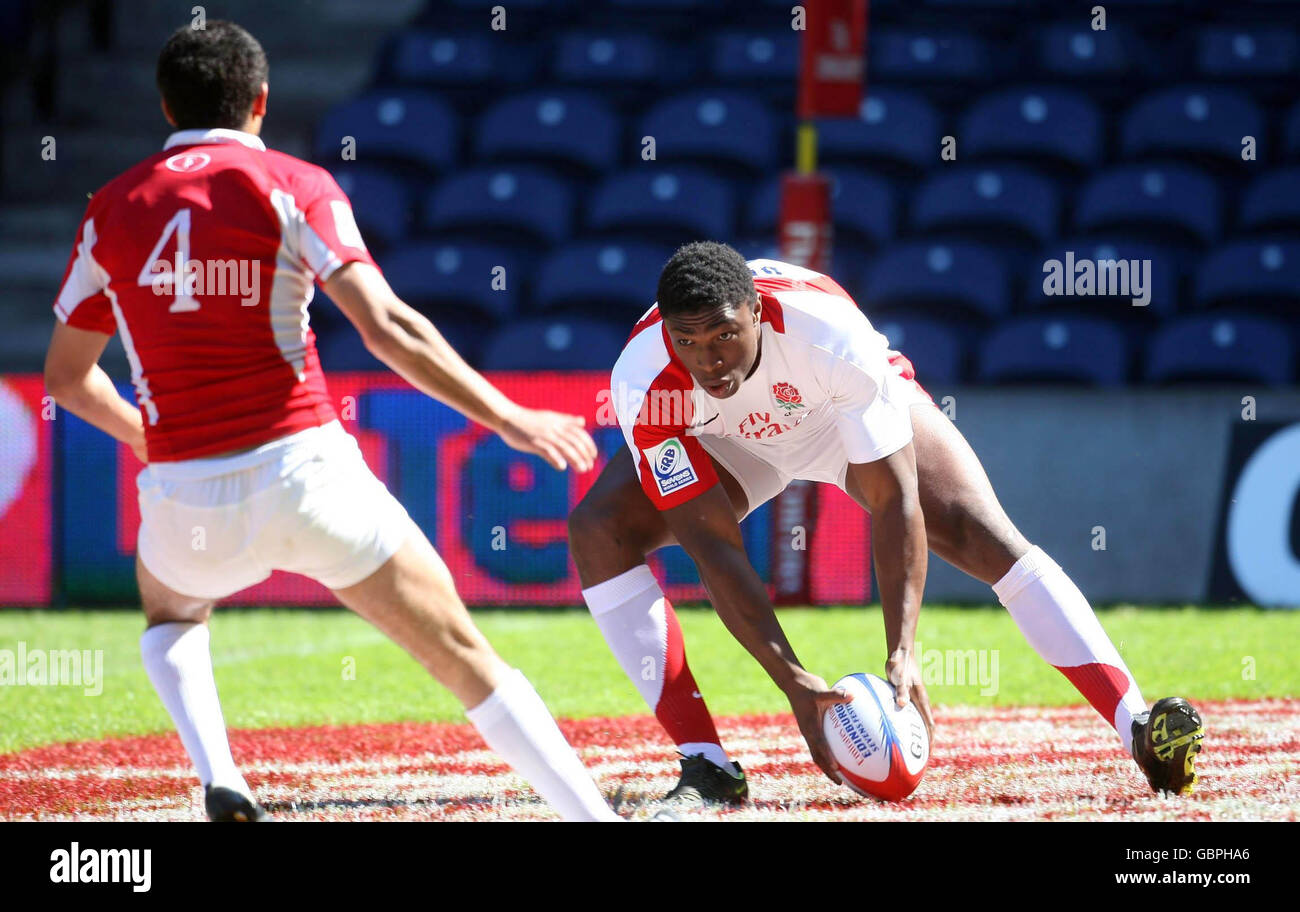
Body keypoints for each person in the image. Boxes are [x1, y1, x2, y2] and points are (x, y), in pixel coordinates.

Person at [43, 20, 618, 822]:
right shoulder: (295, 182)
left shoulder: (112, 208)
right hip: (307, 476)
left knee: (170, 613)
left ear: (165, 105)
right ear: (261, 101)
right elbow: (386, 327)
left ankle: (222, 775)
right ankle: (595, 820)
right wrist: (510, 416)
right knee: (464, 659)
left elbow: (67, 379)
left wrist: (153, 441)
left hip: (185, 498)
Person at [568, 240, 1205, 805]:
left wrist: (904, 649)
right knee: (599, 531)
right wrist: (793, 682)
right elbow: (713, 548)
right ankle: (706, 766)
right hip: (731, 445)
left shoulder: (829, 334)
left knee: (981, 533)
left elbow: (894, 500)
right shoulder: (646, 381)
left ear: (757, 311)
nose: (709, 361)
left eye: (724, 335)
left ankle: (1138, 727)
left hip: (831, 416)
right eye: (689, 342)